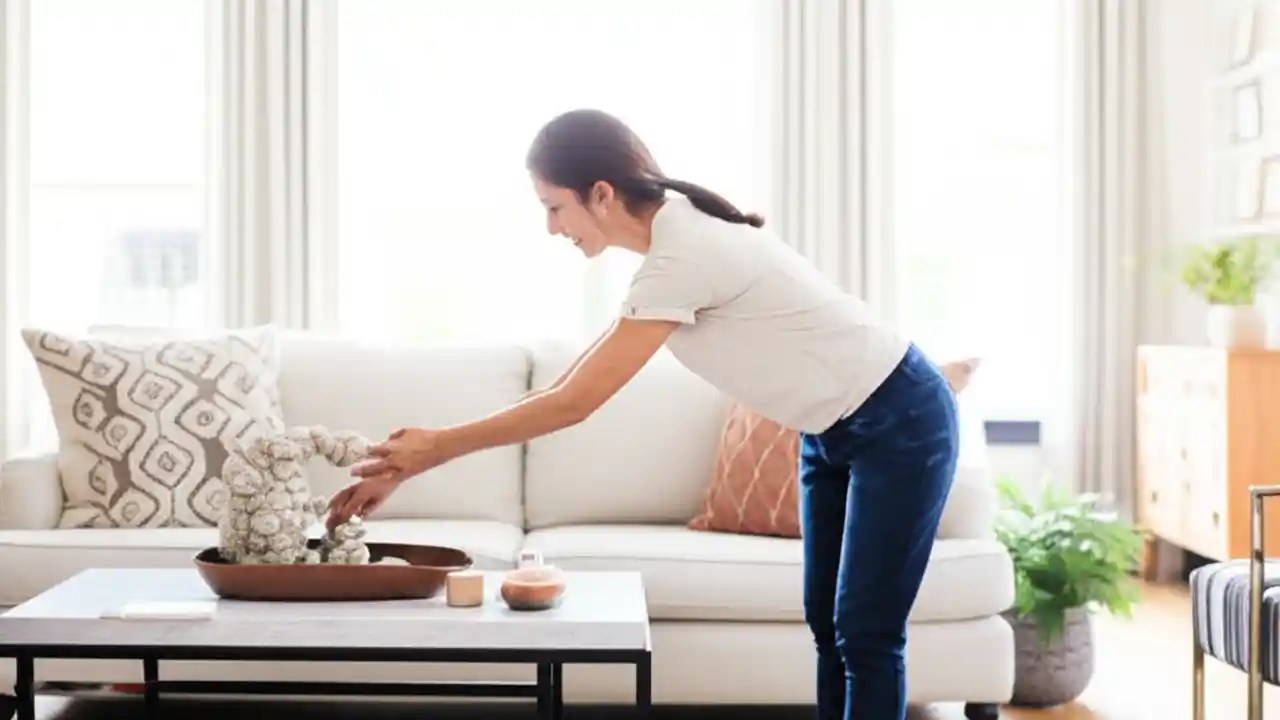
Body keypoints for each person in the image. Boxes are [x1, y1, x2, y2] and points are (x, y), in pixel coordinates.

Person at [326, 108, 969, 720]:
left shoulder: (683, 254)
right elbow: (572, 381)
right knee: (829, 626)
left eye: (555, 206)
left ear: (600, 193)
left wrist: (437, 448)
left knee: (866, 630)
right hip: (829, 431)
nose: (552, 227)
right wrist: (421, 455)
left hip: (899, 417)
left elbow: (576, 404)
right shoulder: (671, 244)